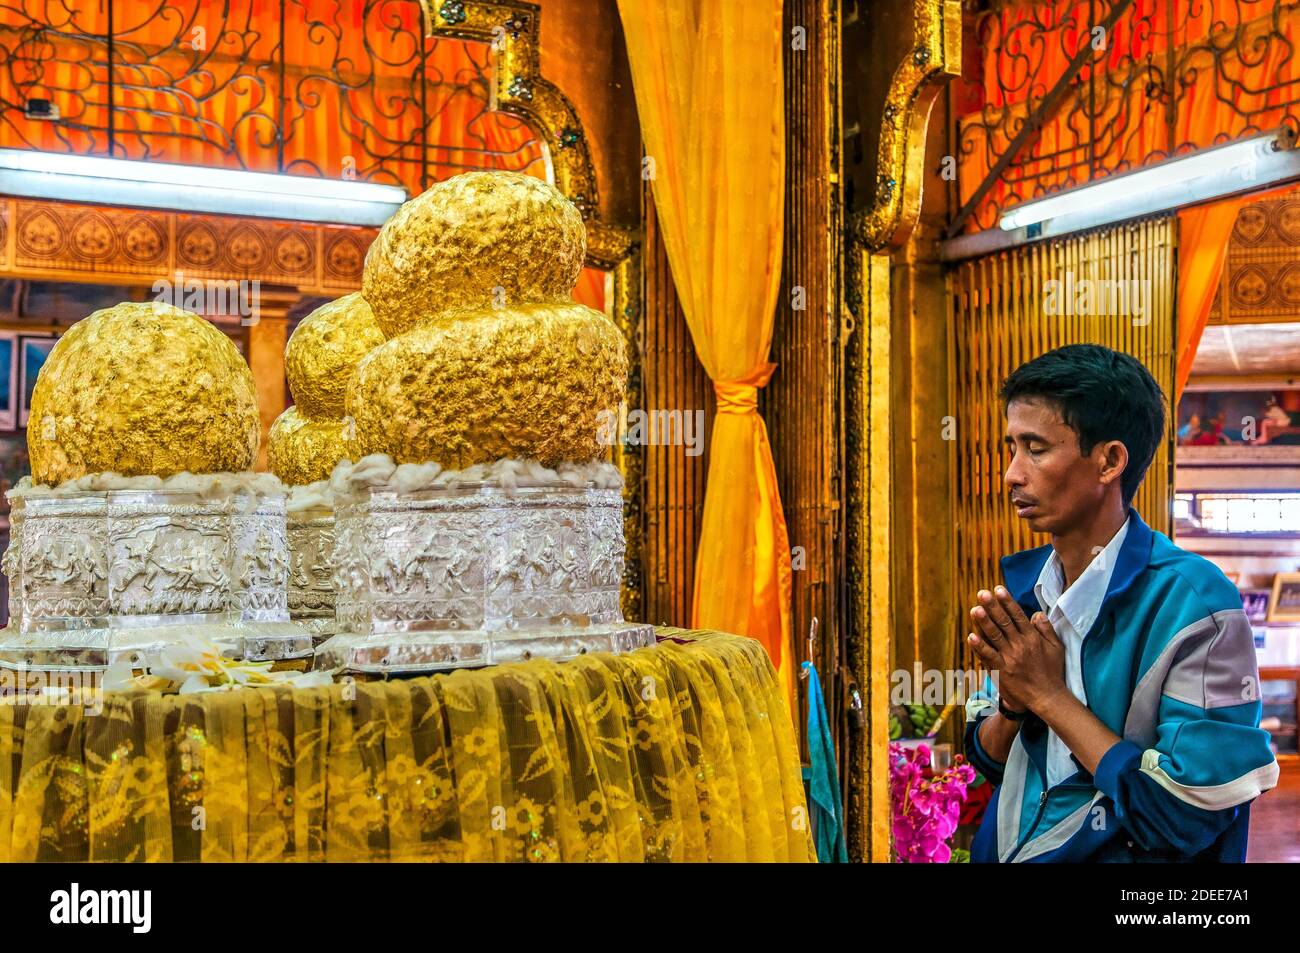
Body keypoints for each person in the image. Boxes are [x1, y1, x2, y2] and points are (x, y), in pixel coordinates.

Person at [963, 344, 1278, 862]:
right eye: (1011, 447)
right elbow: (993, 760)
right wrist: (1014, 705)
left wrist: (1048, 695)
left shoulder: (1193, 604)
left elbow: (1179, 816)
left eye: (1036, 449)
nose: (1012, 474)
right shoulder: (1026, 592)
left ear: (1109, 460)